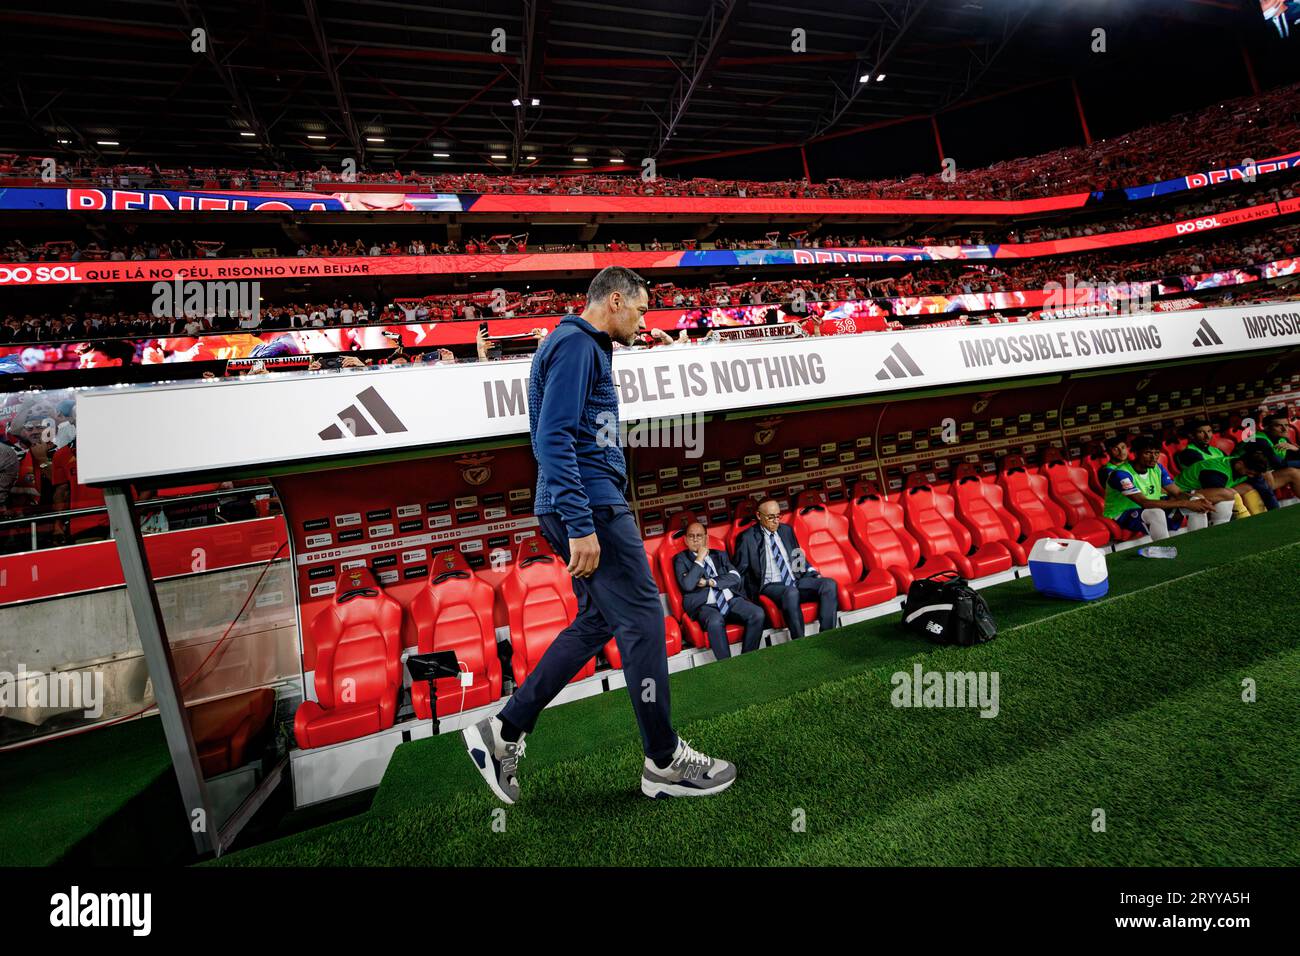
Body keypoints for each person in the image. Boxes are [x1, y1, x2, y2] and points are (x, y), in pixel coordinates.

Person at [461, 265, 735, 804]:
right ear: (614, 300)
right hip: (590, 507)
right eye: (640, 307)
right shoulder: (578, 344)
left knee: (597, 622)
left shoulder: (580, 346)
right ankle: (663, 760)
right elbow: (553, 437)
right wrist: (582, 522)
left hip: (579, 503)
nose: (643, 318)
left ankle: (504, 730)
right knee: (642, 619)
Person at [733, 498, 838, 639]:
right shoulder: (747, 538)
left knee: (829, 584)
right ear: (759, 516)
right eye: (771, 517)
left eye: (778, 516)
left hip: (795, 580)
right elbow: (740, 571)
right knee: (791, 592)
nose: (776, 521)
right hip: (770, 586)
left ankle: (828, 636)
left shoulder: (787, 530)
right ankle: (800, 641)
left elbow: (798, 558)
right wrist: (746, 598)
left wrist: (812, 573)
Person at [673, 522, 766, 659]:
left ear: (706, 538)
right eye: (691, 536)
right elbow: (688, 585)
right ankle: (727, 666)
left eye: (699, 536)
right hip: (705, 605)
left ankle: (748, 659)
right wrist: (699, 559)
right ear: (685, 540)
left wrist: (709, 582)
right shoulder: (680, 559)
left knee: (757, 613)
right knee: (715, 621)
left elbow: (735, 577)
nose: (695, 539)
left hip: (730, 599)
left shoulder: (720, 555)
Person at [1101, 436, 1216, 539]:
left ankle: (1199, 543)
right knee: (1156, 513)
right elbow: (1144, 502)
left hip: (1148, 508)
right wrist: (1186, 503)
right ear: (1135, 453)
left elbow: (1177, 492)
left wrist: (1193, 501)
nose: (1153, 458)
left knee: (1196, 503)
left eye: (1156, 453)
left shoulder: (1158, 468)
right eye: (1148, 453)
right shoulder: (1120, 474)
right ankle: (1165, 551)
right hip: (1121, 514)